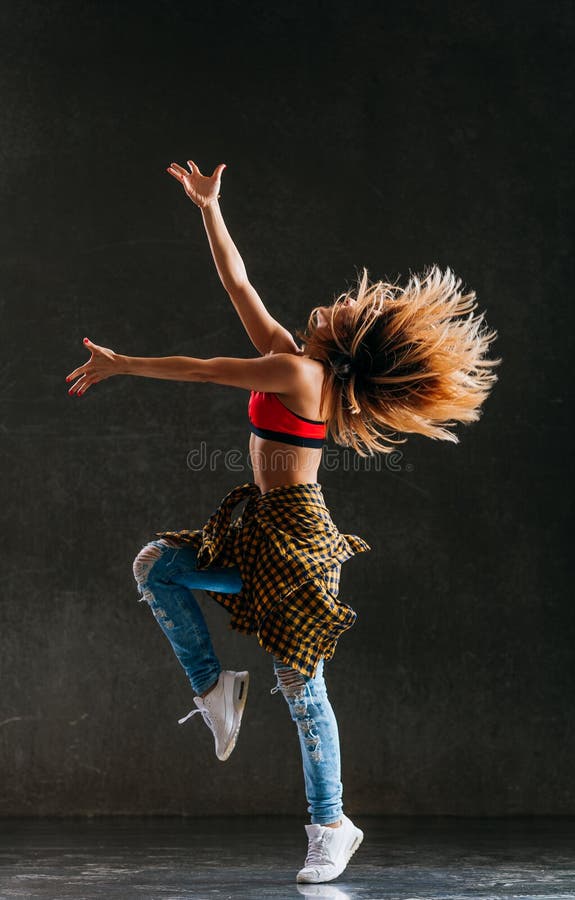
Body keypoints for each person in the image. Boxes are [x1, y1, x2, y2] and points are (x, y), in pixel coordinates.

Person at [65, 158, 501, 885]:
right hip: (261, 522)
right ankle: (213, 690)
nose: (323, 308)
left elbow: (207, 370)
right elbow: (238, 281)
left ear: (346, 342)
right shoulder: (289, 355)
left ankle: (331, 824)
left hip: (297, 535)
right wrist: (208, 208)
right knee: (156, 566)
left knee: (303, 688)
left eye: (334, 312)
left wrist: (123, 364)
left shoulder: (303, 375)